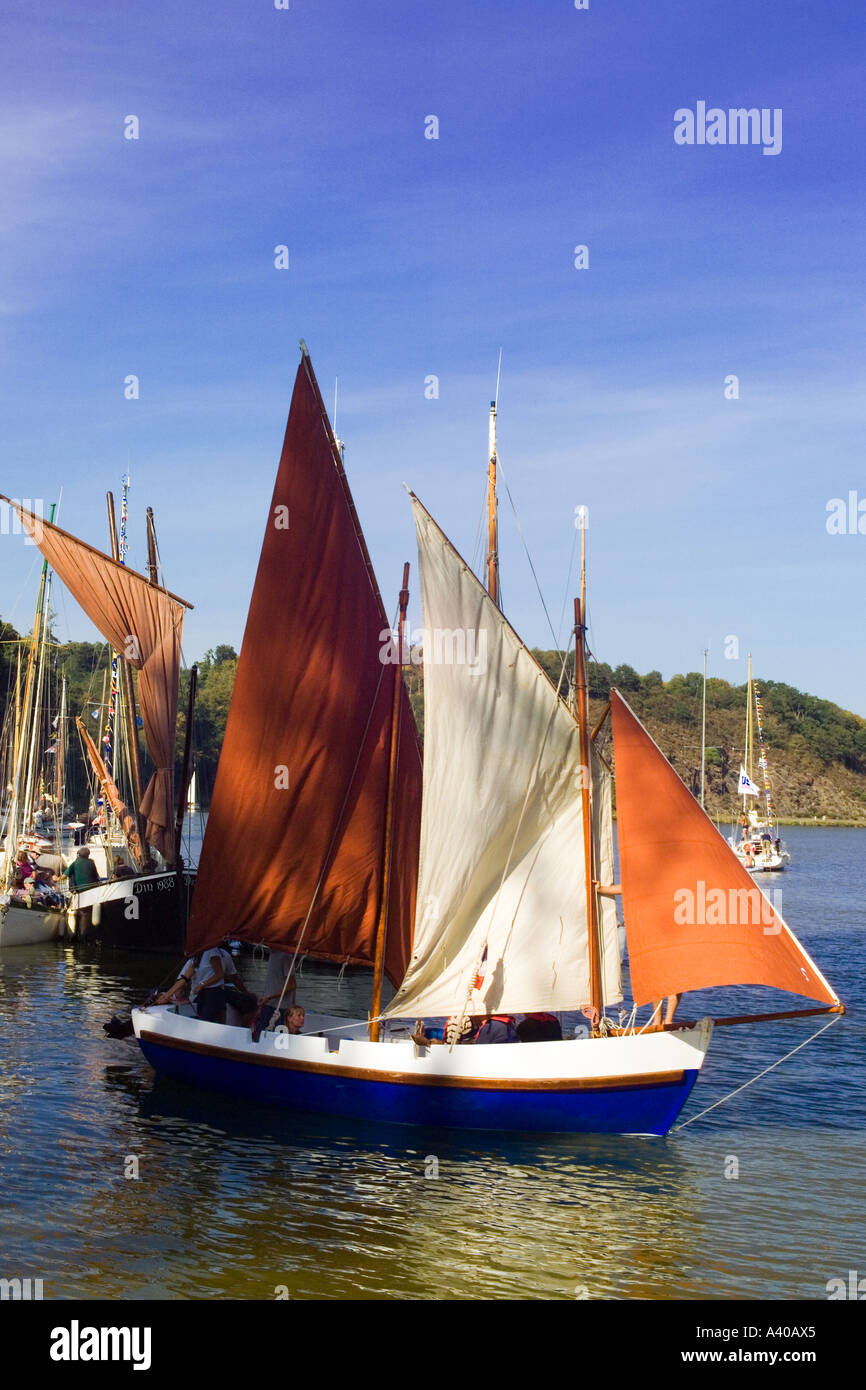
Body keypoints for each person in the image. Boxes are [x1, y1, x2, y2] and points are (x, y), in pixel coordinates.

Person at [157, 947, 225, 1022]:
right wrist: (166, 995)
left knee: (205, 1022)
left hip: (213, 993)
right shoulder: (197, 955)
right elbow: (185, 978)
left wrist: (202, 984)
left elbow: (219, 974)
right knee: (201, 1020)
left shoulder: (212, 951)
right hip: (202, 994)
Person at [252, 947, 297, 1039]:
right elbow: (273, 982)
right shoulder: (272, 954)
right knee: (260, 1037)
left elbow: (291, 985)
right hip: (268, 1005)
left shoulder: (285, 956)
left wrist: (269, 997)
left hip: (280, 1008)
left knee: (275, 1040)